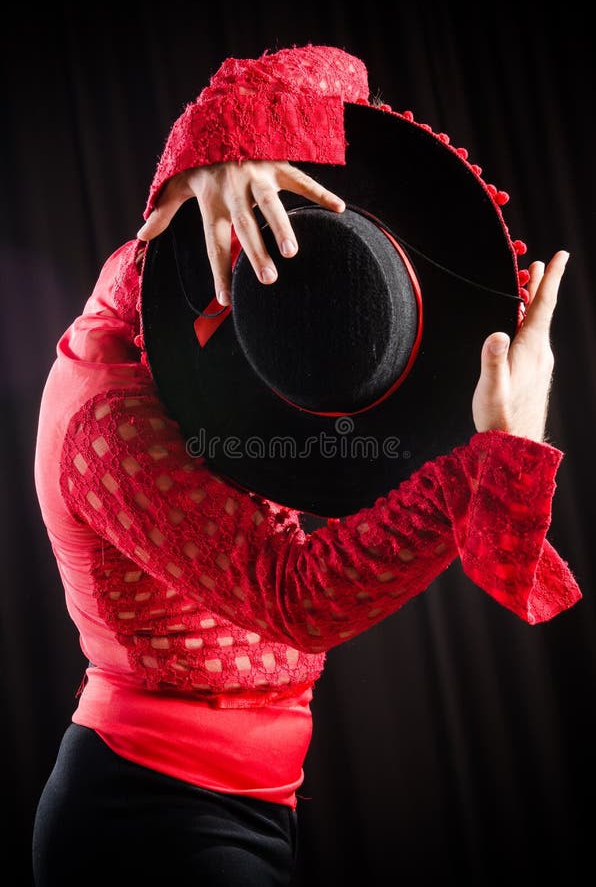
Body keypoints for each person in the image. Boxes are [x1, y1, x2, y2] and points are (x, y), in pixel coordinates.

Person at [31, 43, 581, 886]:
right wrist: (485, 458)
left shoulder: (195, 268)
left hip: (254, 804)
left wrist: (232, 145)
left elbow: (338, 70)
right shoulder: (105, 421)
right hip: (145, 816)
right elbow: (296, 597)